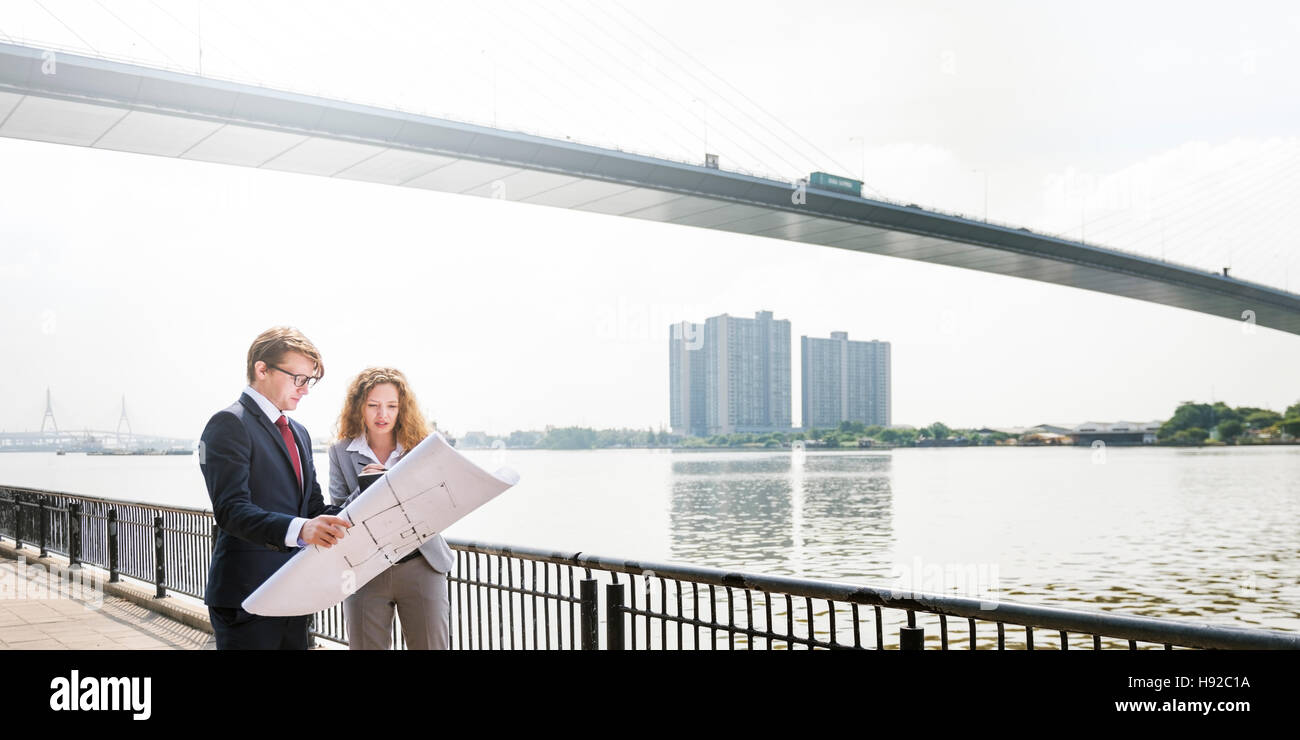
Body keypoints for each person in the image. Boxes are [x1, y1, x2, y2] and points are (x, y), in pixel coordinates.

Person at [199, 326, 353, 650]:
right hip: (246, 598)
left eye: (309, 381)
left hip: (292, 596)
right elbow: (231, 511)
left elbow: (312, 508)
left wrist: (367, 509)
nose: (305, 390)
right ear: (262, 369)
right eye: (298, 378)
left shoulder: (300, 433)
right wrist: (301, 530)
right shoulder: (229, 424)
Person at [328, 367, 454, 650]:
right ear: (359, 407)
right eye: (373, 405)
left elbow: (441, 504)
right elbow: (336, 515)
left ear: (402, 409)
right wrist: (367, 489)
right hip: (364, 571)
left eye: (391, 406)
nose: (381, 414)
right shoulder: (340, 452)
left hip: (421, 564)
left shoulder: (423, 447)